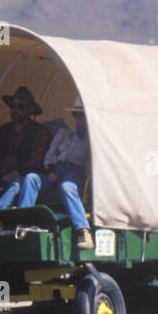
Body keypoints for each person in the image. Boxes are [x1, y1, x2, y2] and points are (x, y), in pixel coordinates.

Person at [45, 103, 94, 250]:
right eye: (75, 115)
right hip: (57, 169)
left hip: (76, 171)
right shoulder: (64, 133)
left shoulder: (92, 138)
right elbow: (49, 155)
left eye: (81, 115)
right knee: (30, 179)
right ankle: (23, 223)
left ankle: (83, 230)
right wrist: (51, 170)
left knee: (67, 186)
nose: (78, 119)